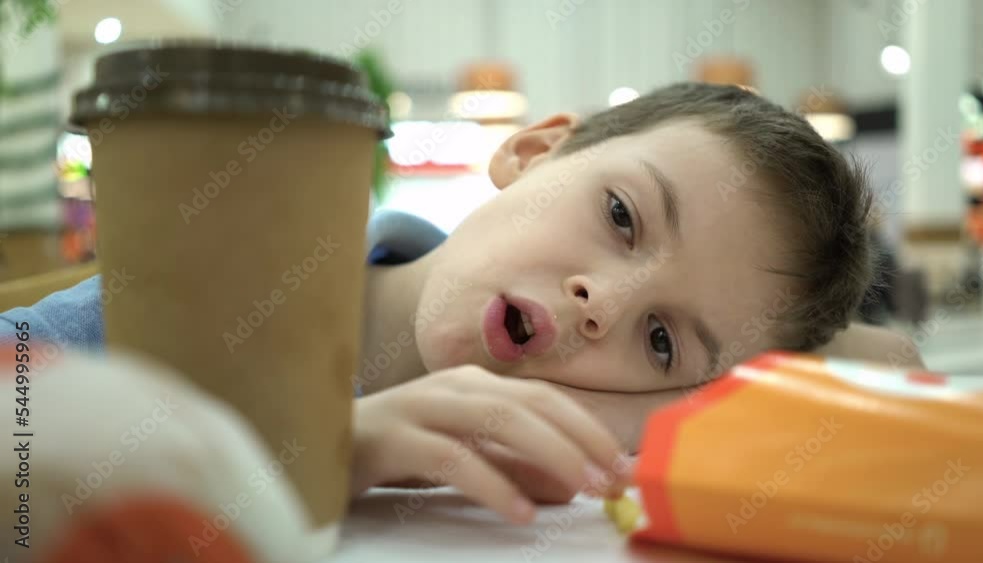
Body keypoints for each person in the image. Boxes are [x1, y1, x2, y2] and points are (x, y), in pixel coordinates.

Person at [1, 83, 922, 526]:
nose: (602, 302)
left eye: (660, 340)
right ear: (531, 152)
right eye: (620, 215)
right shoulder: (192, 307)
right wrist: (318, 446)